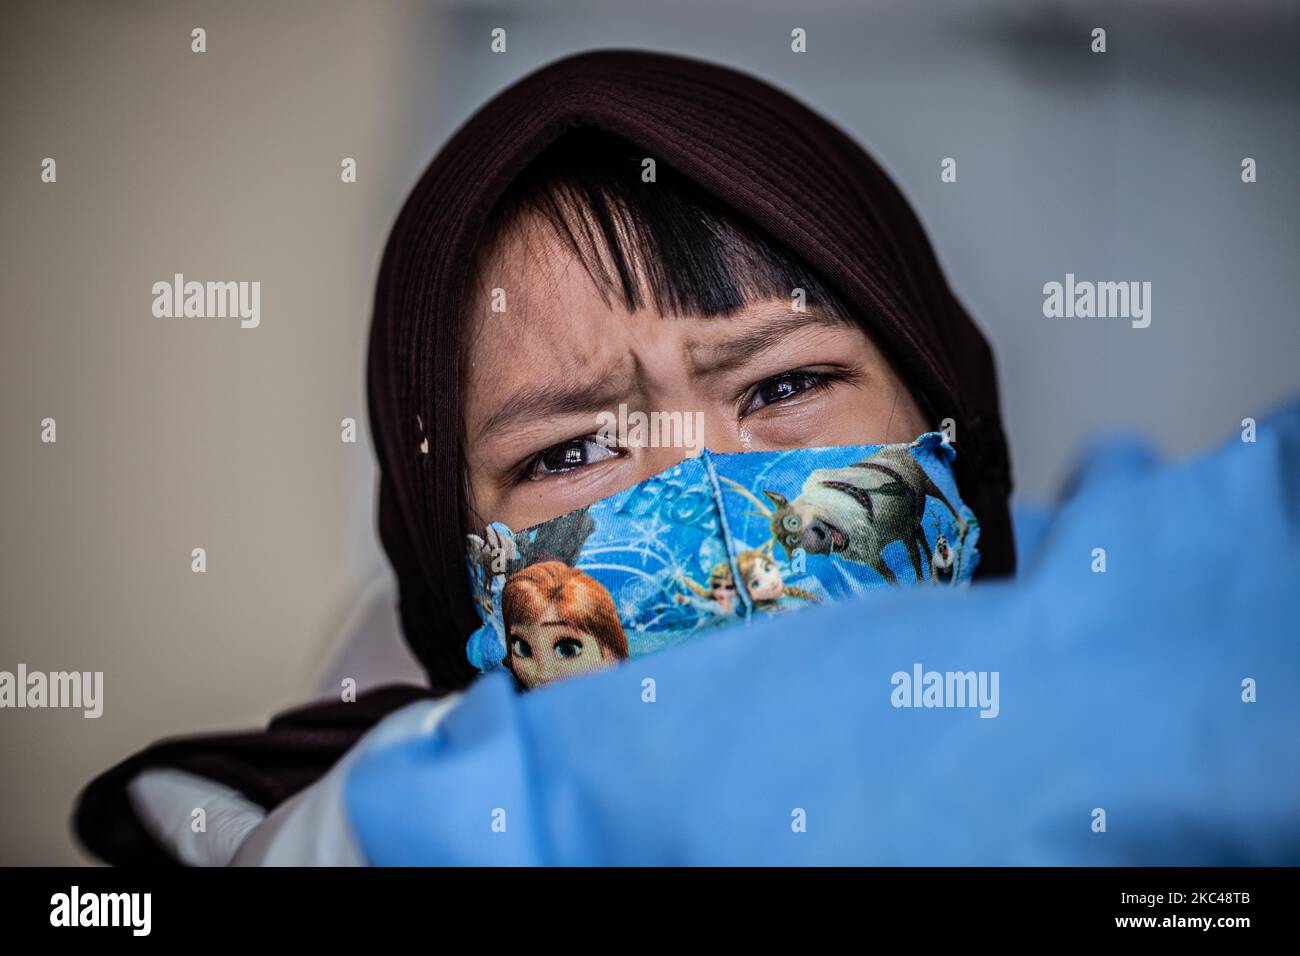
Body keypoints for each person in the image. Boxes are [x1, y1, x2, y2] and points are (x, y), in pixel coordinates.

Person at [73, 50, 1013, 865]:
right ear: (455, 573)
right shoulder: (344, 839)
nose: (703, 495)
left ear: (942, 405)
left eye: (782, 387)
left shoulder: (1143, 733)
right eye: (571, 451)